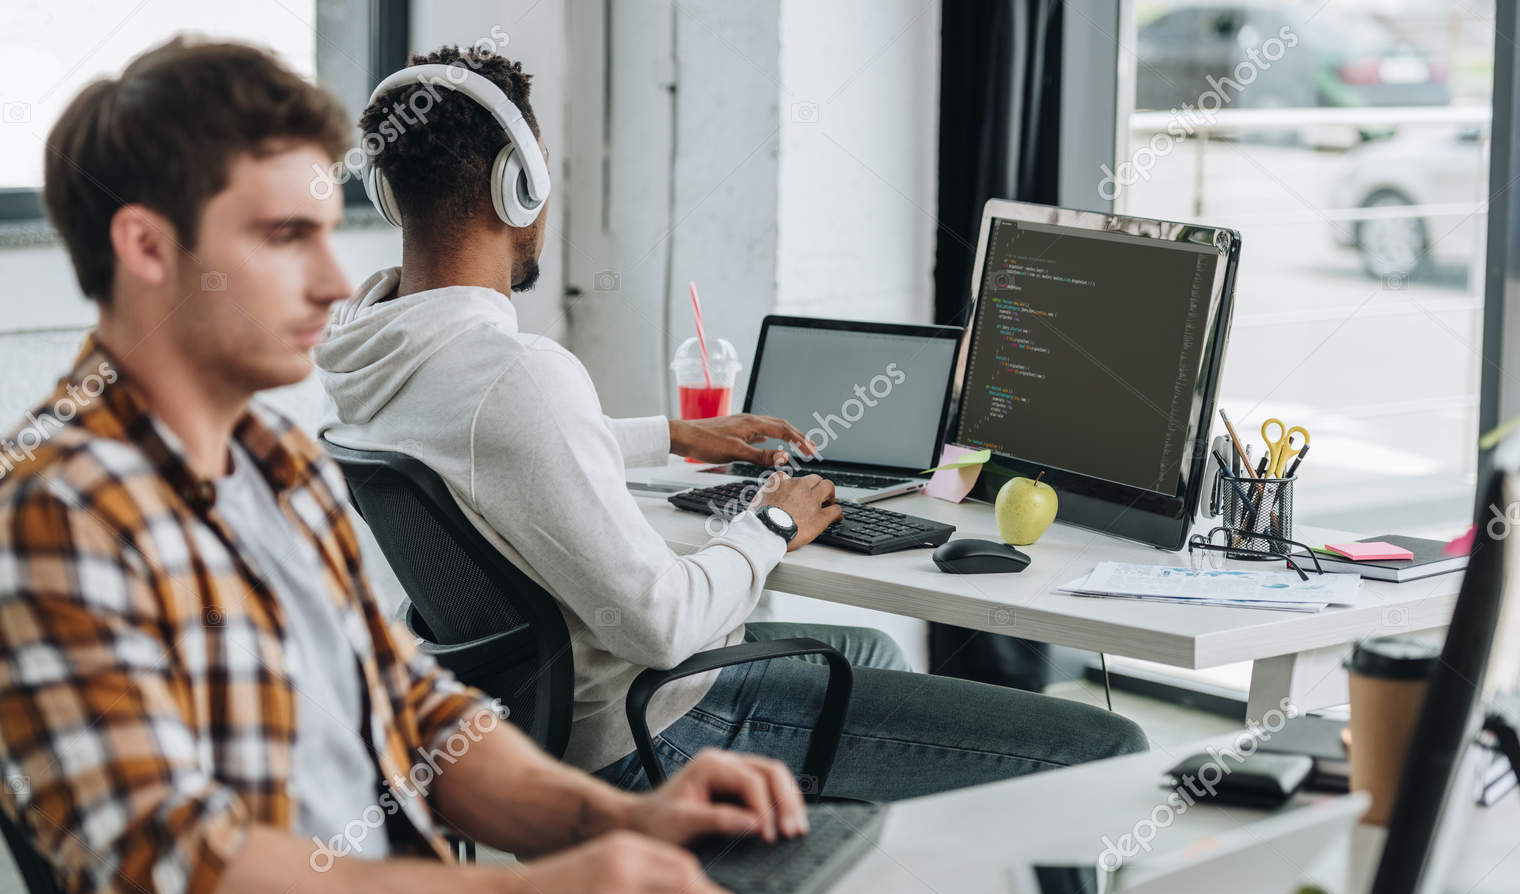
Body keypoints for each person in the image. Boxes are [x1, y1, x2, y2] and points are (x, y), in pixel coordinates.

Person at [0, 38, 809, 894]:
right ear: (146, 247)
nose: (336, 283)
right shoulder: (52, 524)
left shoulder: (269, 465)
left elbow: (410, 708)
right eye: (282, 238)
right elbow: (179, 878)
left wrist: (619, 817)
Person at [315, 48, 1147, 798]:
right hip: (653, 734)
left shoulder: (374, 348)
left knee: (873, 656)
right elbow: (662, 621)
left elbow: (487, 449)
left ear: (391, 194)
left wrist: (668, 436)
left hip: (526, 721)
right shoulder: (519, 375)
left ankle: (819, 869)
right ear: (520, 188)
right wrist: (773, 523)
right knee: (1110, 744)